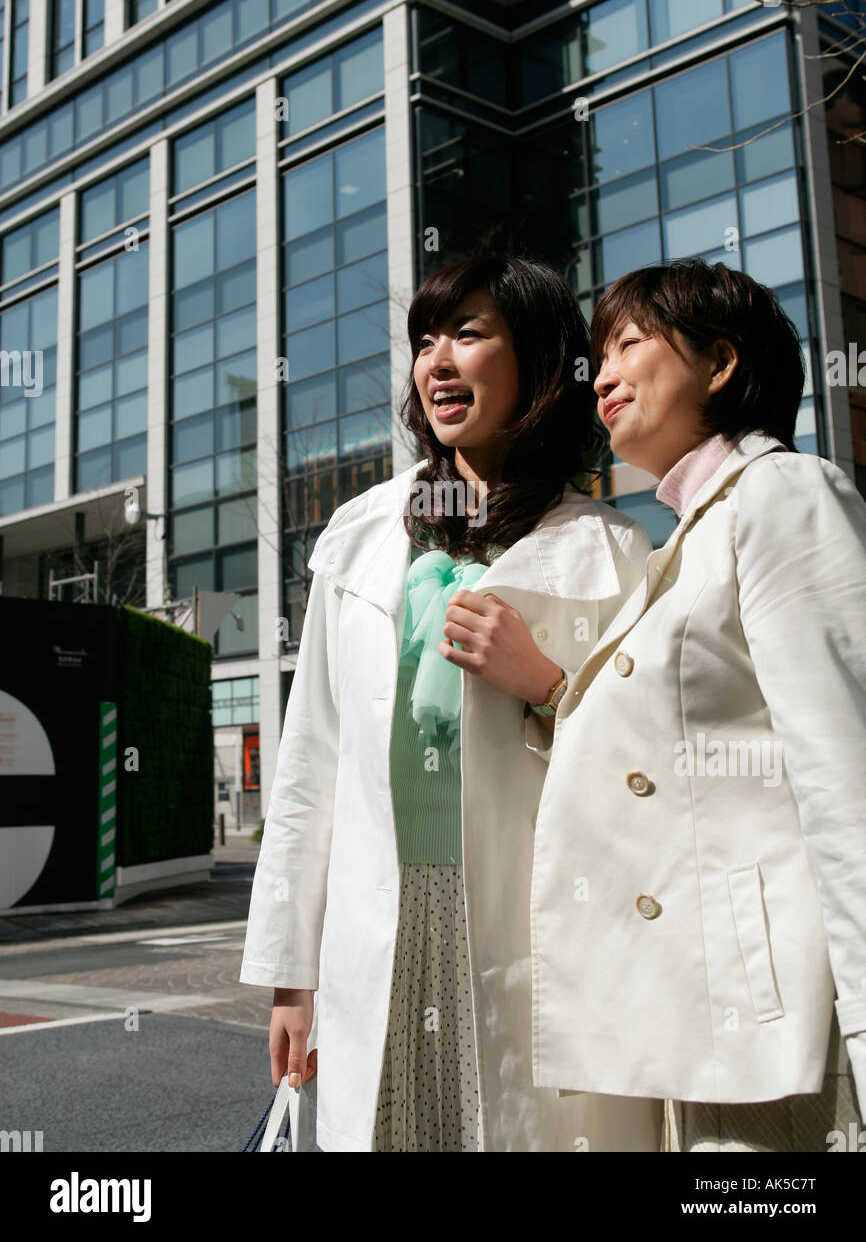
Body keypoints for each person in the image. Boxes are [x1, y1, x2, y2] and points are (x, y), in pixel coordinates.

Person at [240, 255, 663, 1151]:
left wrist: (546, 687)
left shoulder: (616, 555)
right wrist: (290, 976)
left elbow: (652, 769)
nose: (436, 360)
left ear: (541, 364)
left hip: (534, 925)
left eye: (469, 334)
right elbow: (311, 764)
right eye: (425, 340)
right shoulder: (358, 537)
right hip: (380, 923)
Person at [519, 257, 866, 1152]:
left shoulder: (784, 495)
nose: (602, 375)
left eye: (629, 342)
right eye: (599, 354)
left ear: (719, 363)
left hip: (792, 1026)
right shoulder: (686, 540)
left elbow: (846, 778)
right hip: (704, 1017)